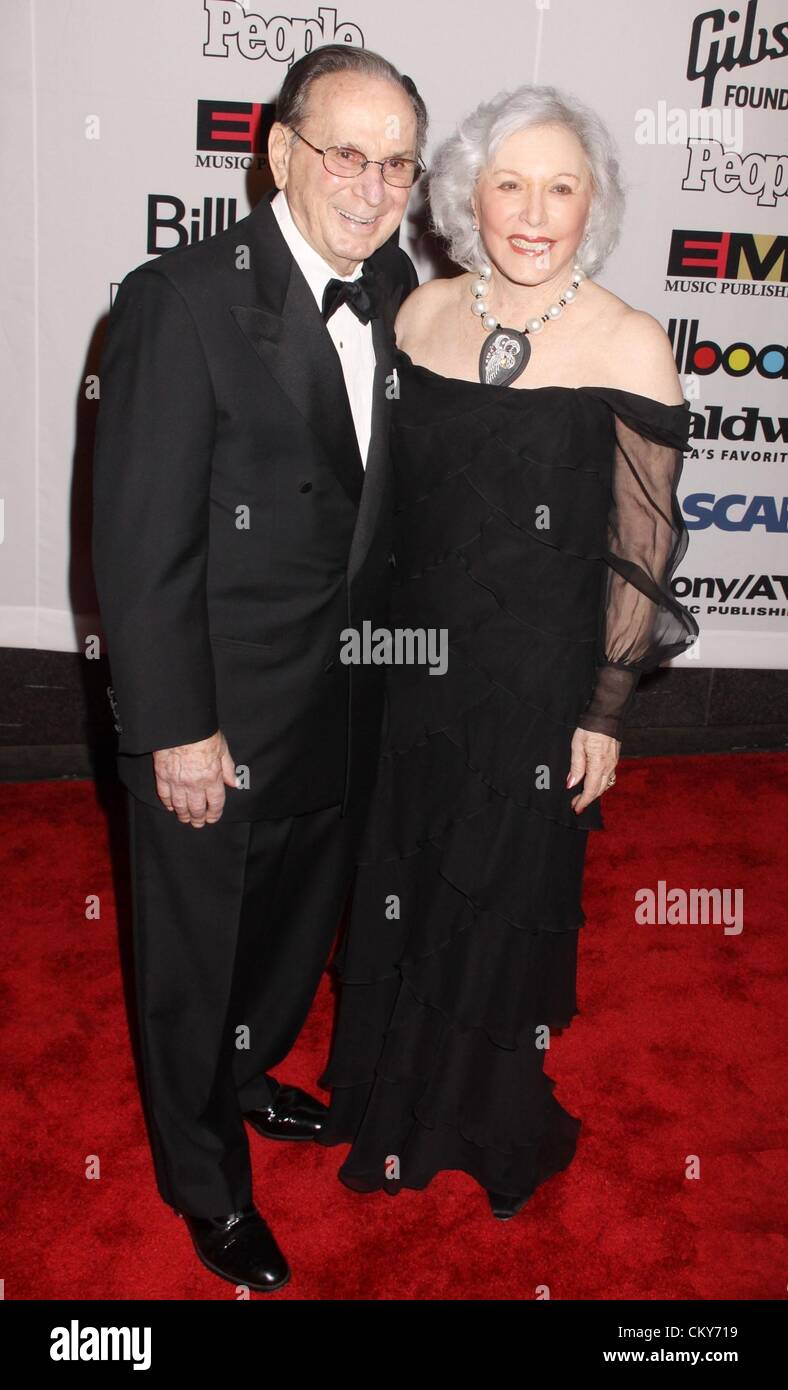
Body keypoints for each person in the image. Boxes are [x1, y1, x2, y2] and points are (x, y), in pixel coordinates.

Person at [315, 84, 700, 1219]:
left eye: (561, 188)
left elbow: (639, 556)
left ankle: (471, 1110)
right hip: (408, 664)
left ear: (593, 206)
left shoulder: (629, 344)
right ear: (461, 195)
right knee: (400, 877)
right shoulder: (420, 313)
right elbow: (383, 509)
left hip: (532, 684)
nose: (533, 214)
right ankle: (383, 1086)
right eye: (508, 185)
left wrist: (603, 713)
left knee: (497, 888)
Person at [91, 45, 426, 1291]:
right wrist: (176, 726)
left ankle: (247, 1070)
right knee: (194, 952)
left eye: (395, 164)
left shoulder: (403, 292)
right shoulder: (179, 299)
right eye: (347, 153)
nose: (371, 184)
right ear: (280, 152)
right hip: (218, 717)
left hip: (345, 702)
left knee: (289, 936)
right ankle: (202, 1177)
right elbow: (136, 540)